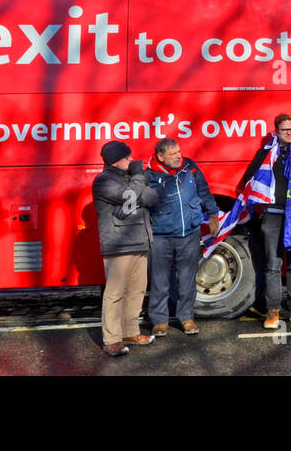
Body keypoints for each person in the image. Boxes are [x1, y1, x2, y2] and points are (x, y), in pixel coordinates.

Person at [238, 114, 291, 329]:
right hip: (272, 215)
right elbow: (249, 179)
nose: (290, 132)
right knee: (273, 264)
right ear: (276, 131)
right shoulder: (267, 153)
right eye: (285, 129)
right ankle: (273, 310)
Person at [146, 137, 221, 336]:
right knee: (159, 279)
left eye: (179, 152)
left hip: (189, 233)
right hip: (161, 235)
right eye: (173, 154)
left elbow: (203, 191)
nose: (179, 156)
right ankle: (159, 321)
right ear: (160, 156)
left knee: (187, 278)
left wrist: (213, 214)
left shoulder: (190, 167)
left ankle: (186, 318)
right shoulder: (149, 175)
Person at [91, 140, 160, 357]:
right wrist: (139, 181)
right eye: (128, 158)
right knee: (115, 293)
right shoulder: (103, 180)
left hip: (140, 239)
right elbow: (129, 195)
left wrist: (134, 196)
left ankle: (130, 331)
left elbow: (153, 197)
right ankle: (112, 339)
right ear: (117, 160)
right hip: (119, 243)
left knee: (137, 289)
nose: (131, 161)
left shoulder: (128, 179)